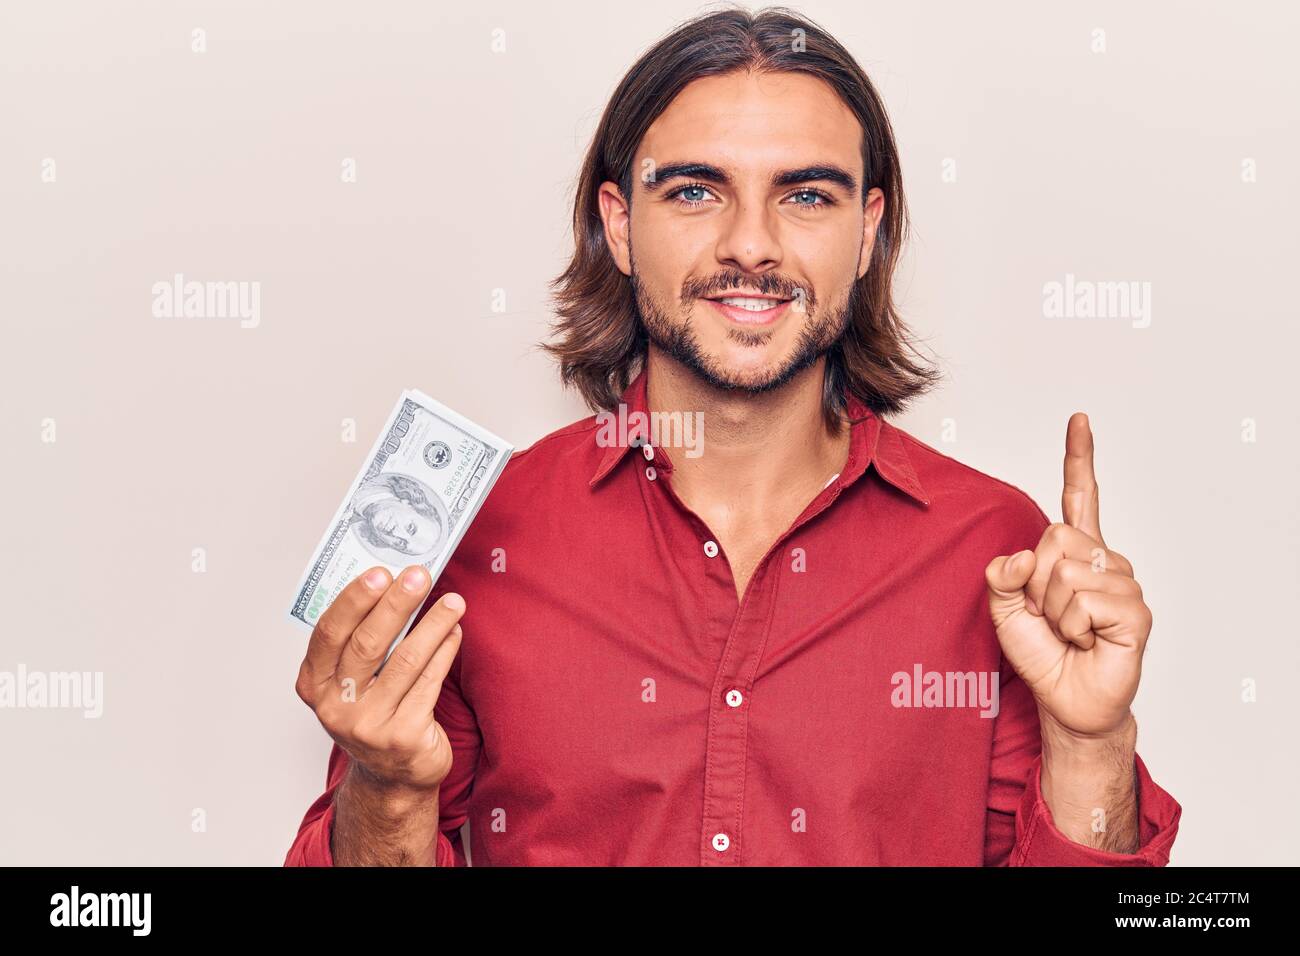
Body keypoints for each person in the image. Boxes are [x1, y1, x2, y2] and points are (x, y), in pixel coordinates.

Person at [286, 7, 1180, 866]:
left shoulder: (998, 553)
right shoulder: (484, 536)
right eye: (694, 190)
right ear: (620, 225)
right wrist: (390, 792)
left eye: (806, 195)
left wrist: (1091, 740)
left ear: (866, 232)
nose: (751, 245)